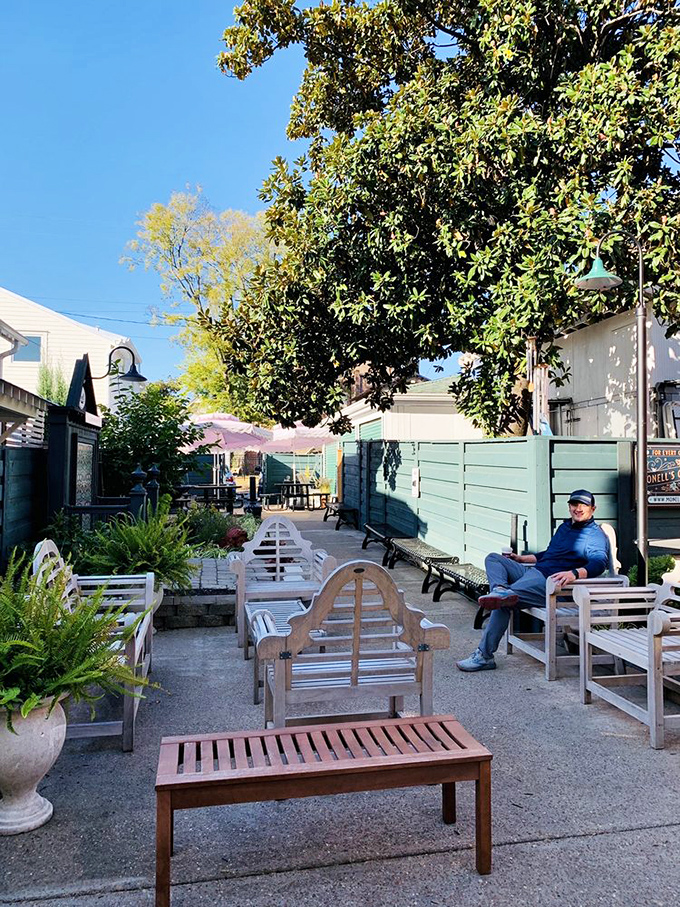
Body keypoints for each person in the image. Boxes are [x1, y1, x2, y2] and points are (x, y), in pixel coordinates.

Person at [456, 489, 609, 672]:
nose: (578, 509)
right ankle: (500, 589)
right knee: (494, 559)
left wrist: (574, 574)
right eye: (574, 504)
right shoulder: (565, 527)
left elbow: (599, 563)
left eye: (583, 505)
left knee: (503, 602)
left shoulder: (594, 535)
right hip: (535, 572)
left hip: (553, 584)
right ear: (569, 507)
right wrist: (521, 559)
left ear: (593, 509)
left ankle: (484, 656)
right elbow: (548, 554)